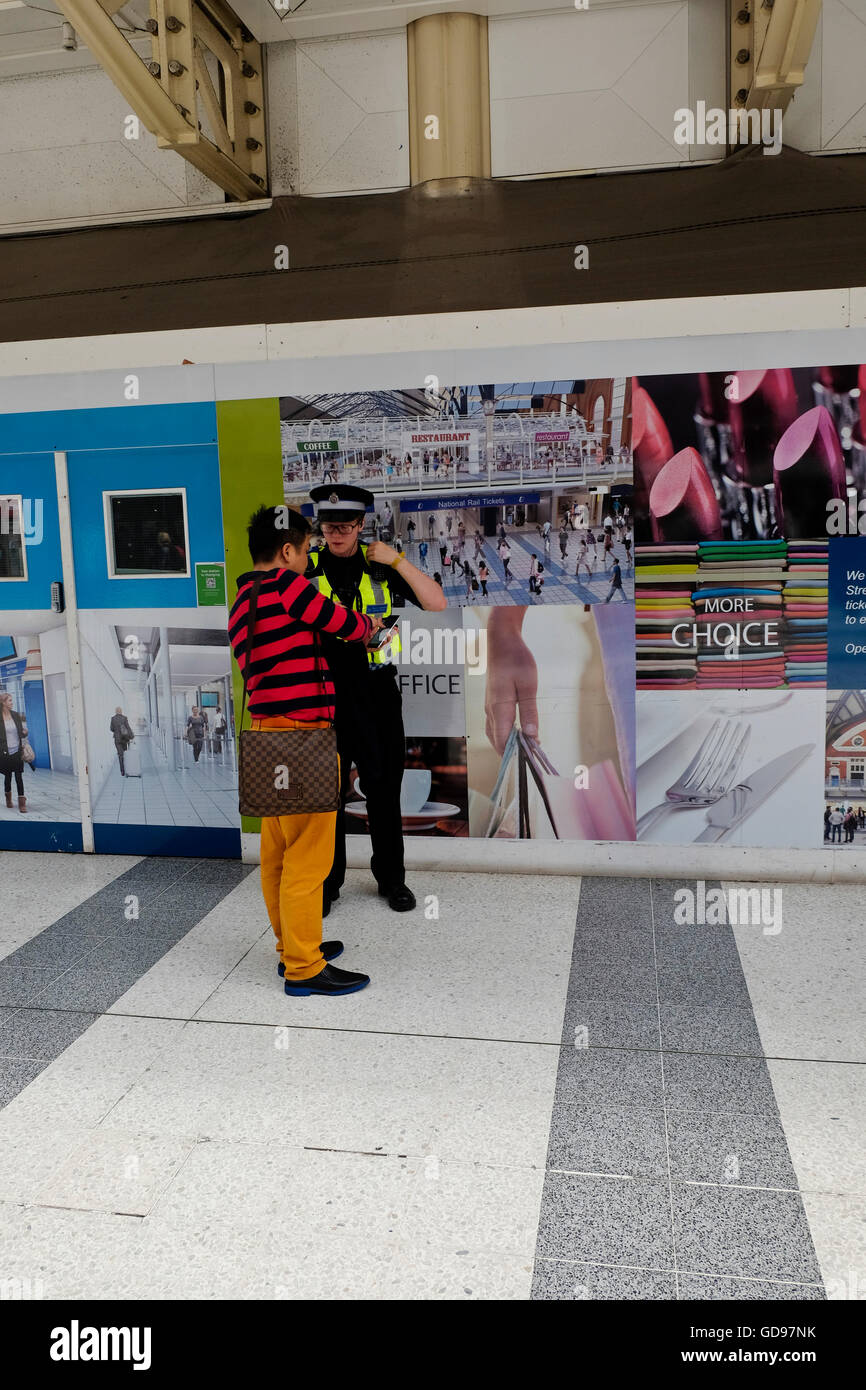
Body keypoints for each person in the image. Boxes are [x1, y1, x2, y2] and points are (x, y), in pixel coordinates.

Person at [229, 505, 379, 998]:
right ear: (288, 550)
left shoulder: (241, 600)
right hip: (304, 738)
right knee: (308, 860)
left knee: (276, 852)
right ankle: (304, 968)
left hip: (264, 736)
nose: (311, 555)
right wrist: (370, 627)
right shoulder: (290, 587)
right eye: (307, 548)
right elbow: (343, 623)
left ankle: (290, 945)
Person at [307, 483, 447, 914]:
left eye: (346, 525)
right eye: (329, 526)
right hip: (323, 696)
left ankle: (392, 880)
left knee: (384, 791)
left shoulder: (380, 565)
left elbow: (436, 602)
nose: (336, 533)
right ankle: (328, 884)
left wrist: (398, 560)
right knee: (326, 795)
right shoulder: (305, 568)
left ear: (361, 524)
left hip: (376, 695)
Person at [0, 691, 27, 813]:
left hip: (17, 750)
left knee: (18, 776)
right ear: (3, 702)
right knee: (8, 776)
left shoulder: (15, 715)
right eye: (10, 700)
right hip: (5, 752)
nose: (12, 703)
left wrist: (25, 733)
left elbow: (20, 733)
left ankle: (22, 803)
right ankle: (8, 799)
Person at [110, 706, 134, 776]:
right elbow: (128, 727)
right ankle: (127, 769)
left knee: (120, 755)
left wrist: (116, 731)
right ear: (121, 711)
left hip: (117, 740)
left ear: (116, 711)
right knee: (125, 754)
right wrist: (131, 735)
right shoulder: (124, 718)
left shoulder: (113, 719)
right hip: (124, 739)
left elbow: (111, 729)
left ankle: (122, 771)